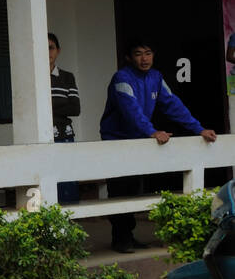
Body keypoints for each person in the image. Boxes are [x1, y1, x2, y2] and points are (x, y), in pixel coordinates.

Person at [100, 38, 217, 253]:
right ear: (128, 57)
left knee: (135, 189)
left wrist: (198, 129)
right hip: (117, 140)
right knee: (118, 189)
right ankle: (120, 239)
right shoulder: (122, 78)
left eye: (148, 53)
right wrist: (152, 131)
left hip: (140, 140)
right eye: (138, 54)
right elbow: (131, 111)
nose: (144, 58)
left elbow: (173, 105)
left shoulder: (156, 77)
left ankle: (129, 236)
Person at [49, 33, 81, 206]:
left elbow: (75, 109)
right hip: (42, 138)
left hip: (65, 135)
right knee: (47, 182)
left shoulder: (67, 77)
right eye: (43, 47)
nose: (48, 52)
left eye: (51, 47)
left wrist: (50, 105)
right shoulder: (33, 76)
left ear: (58, 51)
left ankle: (70, 226)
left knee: (68, 180)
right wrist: (61, 105)